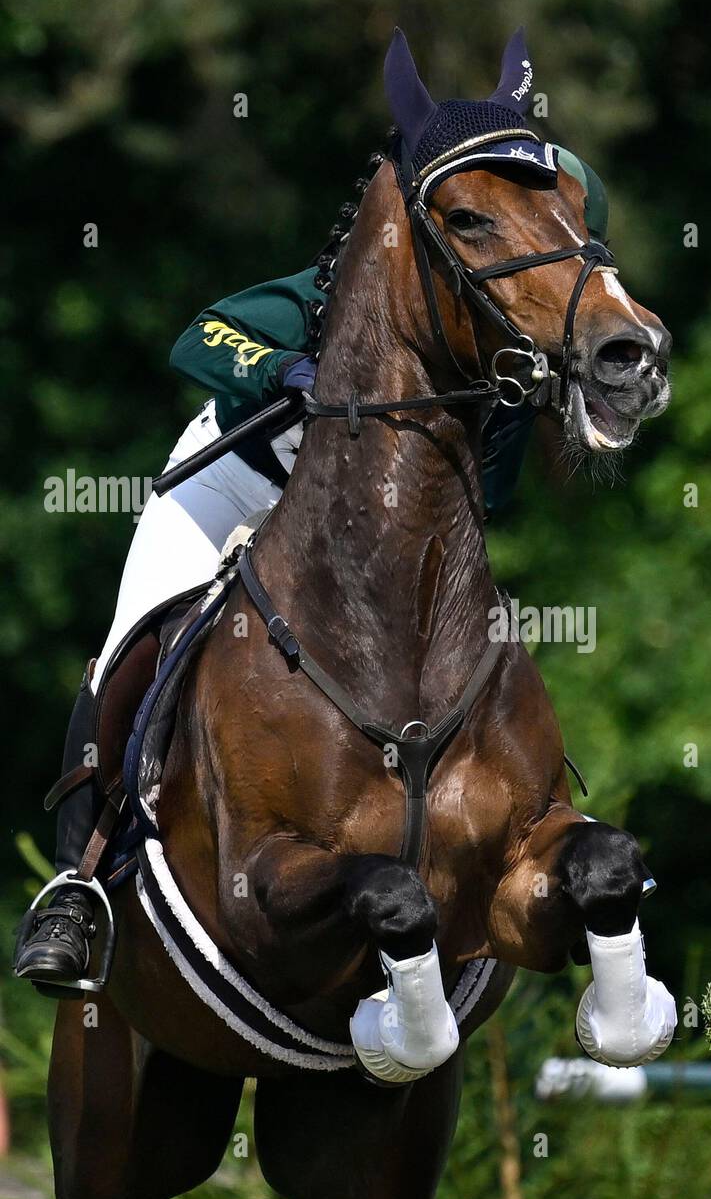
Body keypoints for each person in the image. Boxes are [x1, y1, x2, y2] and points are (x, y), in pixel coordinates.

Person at [13, 144, 609, 986]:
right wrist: (284, 369)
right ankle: (78, 889)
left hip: (353, 534)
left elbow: (486, 502)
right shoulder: (344, 290)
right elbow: (199, 336)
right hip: (236, 477)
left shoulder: (493, 366)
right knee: (130, 645)